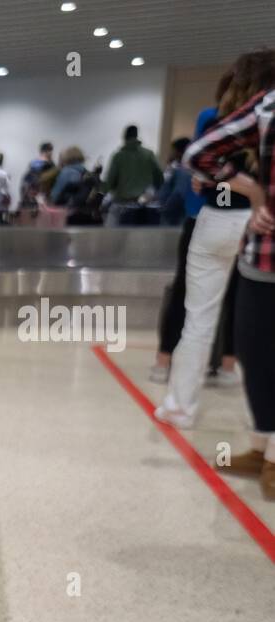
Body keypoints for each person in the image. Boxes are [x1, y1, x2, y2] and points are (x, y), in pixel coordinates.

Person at [156, 50, 274, 431]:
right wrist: (257, 193)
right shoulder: (266, 117)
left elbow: (199, 168)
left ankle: (179, 406)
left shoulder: (214, 118)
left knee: (199, 317)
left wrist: (230, 183)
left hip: (214, 222)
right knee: (257, 326)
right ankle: (257, 421)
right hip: (259, 227)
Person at [185, 56, 275, 500]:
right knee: (254, 352)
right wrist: (257, 192)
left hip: (248, 245)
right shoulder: (266, 107)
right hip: (261, 254)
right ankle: (262, 449)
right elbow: (200, 155)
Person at [152, 70, 240, 385]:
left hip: (203, 216)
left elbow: (199, 167)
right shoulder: (254, 127)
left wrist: (210, 180)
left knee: (186, 291)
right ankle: (226, 365)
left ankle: (165, 362)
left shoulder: (211, 119)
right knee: (233, 294)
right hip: (234, 218)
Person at [103, 125, 164, 224]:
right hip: (144, 204)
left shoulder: (118, 156)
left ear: (124, 137)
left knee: (119, 236)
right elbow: (159, 178)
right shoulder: (149, 154)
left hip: (122, 203)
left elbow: (110, 181)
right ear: (137, 136)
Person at [156, 137, 195, 225]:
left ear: (179, 152)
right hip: (174, 215)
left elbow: (178, 194)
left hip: (173, 217)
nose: (171, 153)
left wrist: (165, 208)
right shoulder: (176, 168)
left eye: (172, 150)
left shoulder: (183, 170)